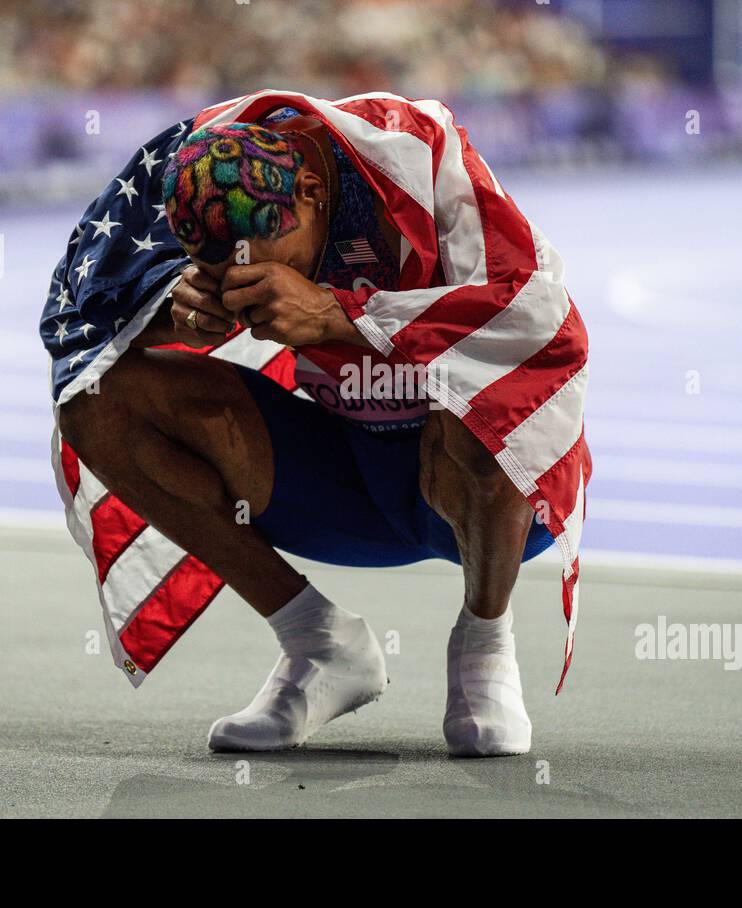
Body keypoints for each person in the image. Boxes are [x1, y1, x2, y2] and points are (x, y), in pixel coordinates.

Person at [42, 91, 590, 757]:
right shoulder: (203, 173)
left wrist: (339, 315)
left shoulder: (414, 158)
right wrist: (179, 310)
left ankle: (485, 643)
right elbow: (86, 323)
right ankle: (318, 645)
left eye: (265, 264)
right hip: (343, 479)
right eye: (223, 276)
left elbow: (539, 322)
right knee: (98, 396)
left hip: (476, 497)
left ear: (309, 190)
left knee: (486, 402)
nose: (247, 286)